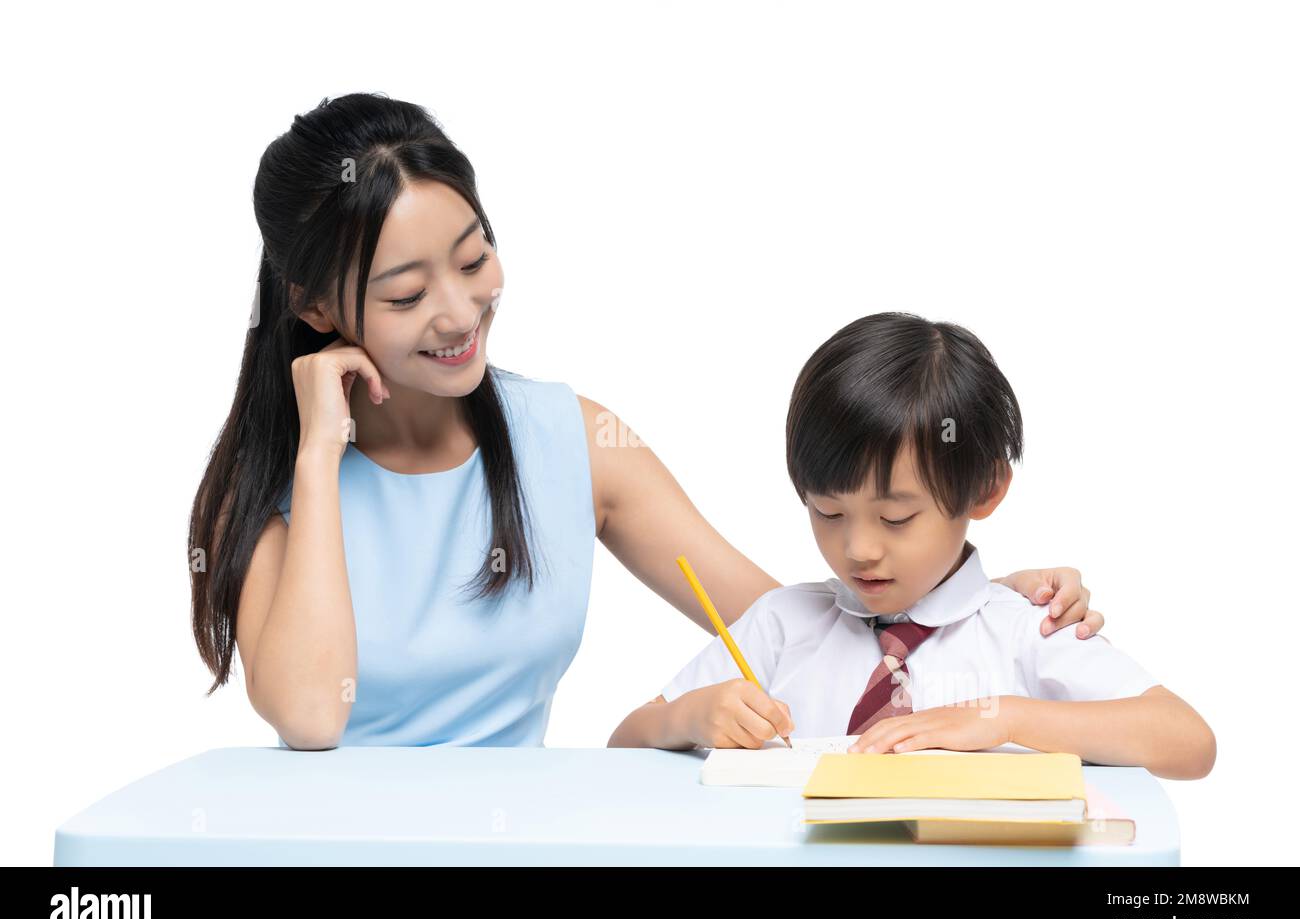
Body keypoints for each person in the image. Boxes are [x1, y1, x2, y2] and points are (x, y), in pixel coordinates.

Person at [189, 93, 1105, 750]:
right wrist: (319, 453)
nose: (461, 311)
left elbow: (787, 629)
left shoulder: (573, 441)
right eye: (406, 292)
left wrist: (969, 601)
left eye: (475, 260)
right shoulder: (272, 476)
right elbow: (310, 718)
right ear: (314, 307)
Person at [609, 313, 1215, 780]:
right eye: (829, 511)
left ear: (985, 489)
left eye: (896, 517)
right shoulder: (779, 625)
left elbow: (1188, 740)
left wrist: (1006, 717)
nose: (859, 548)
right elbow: (622, 748)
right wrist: (683, 719)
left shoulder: (1024, 629)